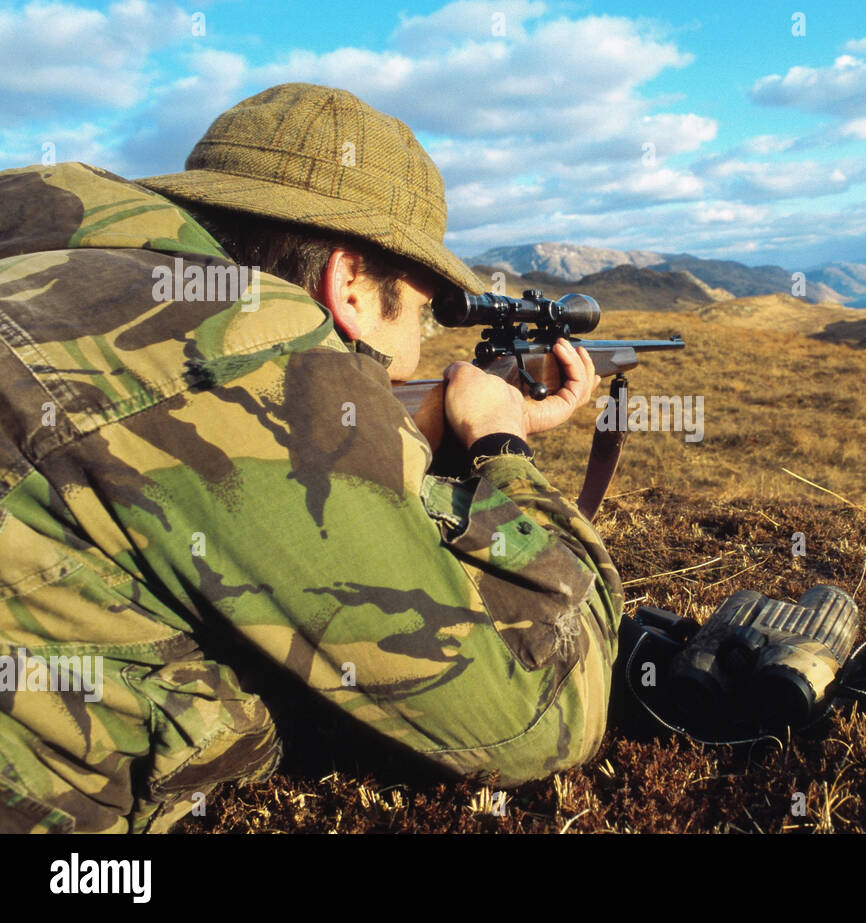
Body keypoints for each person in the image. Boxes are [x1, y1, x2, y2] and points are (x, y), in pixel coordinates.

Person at [0, 83, 623, 833]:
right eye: (425, 312)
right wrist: (502, 446)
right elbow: (536, 714)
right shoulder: (248, 339)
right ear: (350, 286)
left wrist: (403, 443)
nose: (409, 356)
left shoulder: (59, 264)